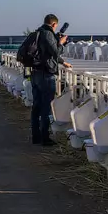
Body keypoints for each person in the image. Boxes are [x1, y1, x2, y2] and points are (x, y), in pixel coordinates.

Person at [30, 14, 72, 145]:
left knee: (36, 106)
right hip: (45, 75)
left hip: (35, 73)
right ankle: (45, 138)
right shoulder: (47, 35)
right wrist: (61, 43)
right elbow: (55, 52)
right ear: (54, 24)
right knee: (46, 107)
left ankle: (36, 136)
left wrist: (62, 62)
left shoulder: (37, 33)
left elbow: (47, 53)